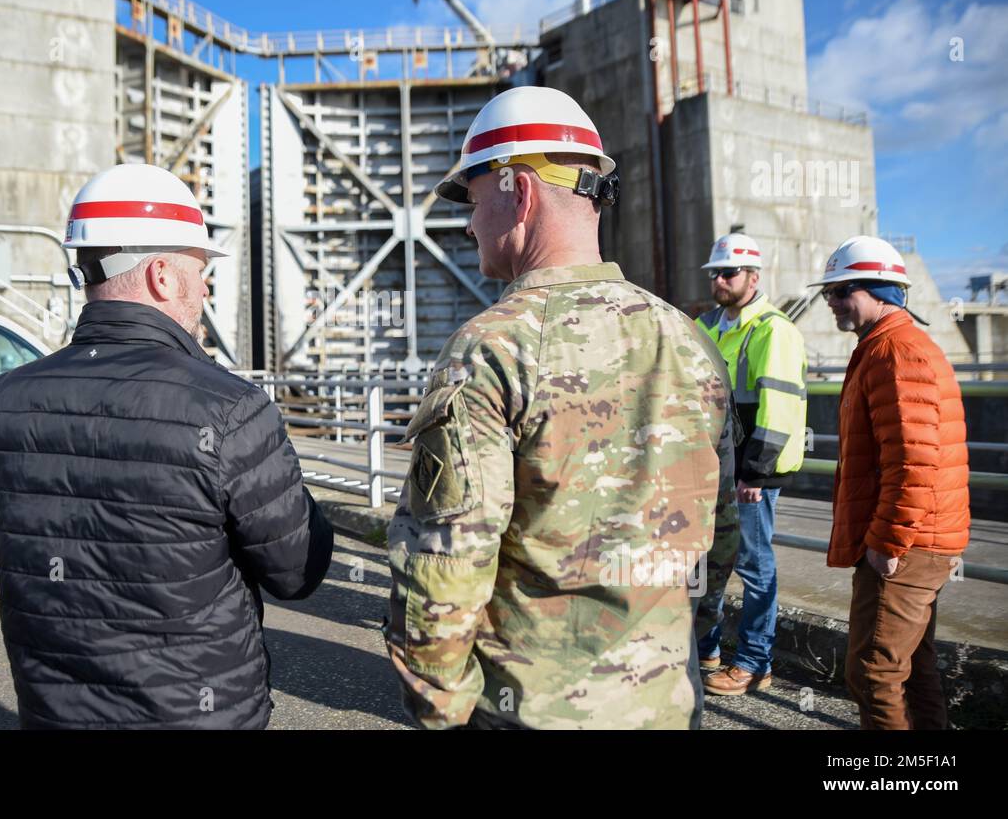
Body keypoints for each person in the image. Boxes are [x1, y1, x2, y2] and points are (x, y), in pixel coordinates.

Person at [383, 85, 737, 729]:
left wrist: (446, 713)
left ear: (518, 192)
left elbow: (443, 568)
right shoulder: (693, 343)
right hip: (668, 706)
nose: (466, 222)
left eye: (473, 195)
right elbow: (719, 542)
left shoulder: (490, 349)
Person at [0, 162, 333, 729]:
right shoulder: (230, 408)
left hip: (55, 715)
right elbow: (295, 571)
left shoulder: (3, 400)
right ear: (161, 274)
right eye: (200, 271)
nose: (205, 288)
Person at [809, 235, 969, 729]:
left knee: (874, 673)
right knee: (913, 670)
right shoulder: (884, 345)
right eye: (827, 292)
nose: (831, 302)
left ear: (882, 290)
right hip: (921, 540)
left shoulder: (896, 353)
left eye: (841, 290)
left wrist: (887, 539)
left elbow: (914, 463)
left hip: (908, 544)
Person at [694, 233, 807, 695]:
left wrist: (754, 474)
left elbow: (779, 410)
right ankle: (708, 648)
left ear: (753, 277)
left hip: (750, 474)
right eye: (714, 273)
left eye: (729, 272)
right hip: (716, 468)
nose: (719, 279)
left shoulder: (772, 329)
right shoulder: (710, 326)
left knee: (753, 566)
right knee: (708, 557)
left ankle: (756, 661)